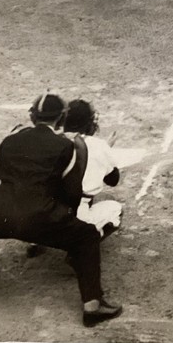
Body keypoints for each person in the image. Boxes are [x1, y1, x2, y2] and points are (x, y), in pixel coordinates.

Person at [0, 92, 122, 327]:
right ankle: (92, 306)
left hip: (0, 216)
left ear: (33, 116)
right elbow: (72, 194)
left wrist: (2, 205)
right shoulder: (68, 147)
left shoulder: (11, 139)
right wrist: (49, 217)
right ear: (61, 118)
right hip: (42, 222)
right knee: (85, 236)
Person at [59, 98, 123, 238]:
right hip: (75, 217)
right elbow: (113, 180)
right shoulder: (99, 145)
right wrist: (106, 150)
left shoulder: (53, 140)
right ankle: (80, 247)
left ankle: (36, 242)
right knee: (116, 210)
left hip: (44, 213)